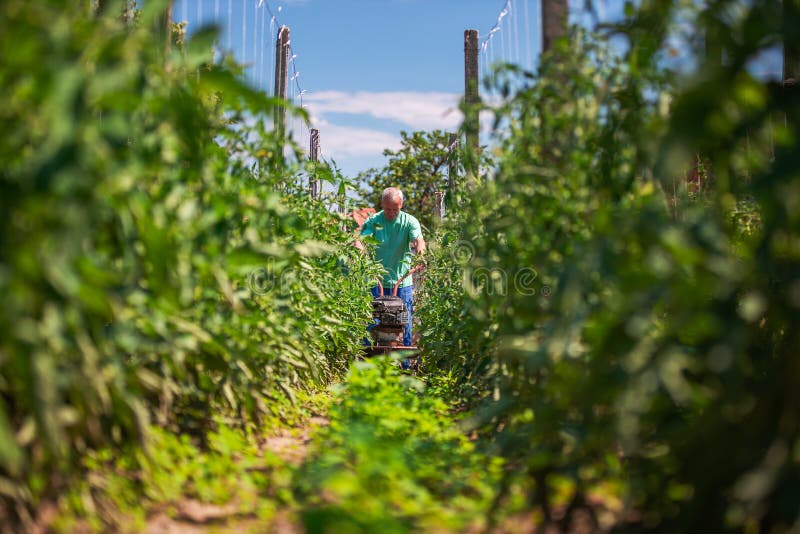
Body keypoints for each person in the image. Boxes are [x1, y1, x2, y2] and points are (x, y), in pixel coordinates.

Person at [355, 187, 426, 350]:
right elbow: (360, 241)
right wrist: (360, 254)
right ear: (382, 204)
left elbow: (419, 241)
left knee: (405, 322)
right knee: (370, 321)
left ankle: (406, 363)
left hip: (402, 281)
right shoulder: (373, 221)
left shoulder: (409, 222)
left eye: (396, 209)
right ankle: (366, 359)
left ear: (401, 205)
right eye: (388, 209)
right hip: (376, 280)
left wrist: (421, 256)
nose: (392, 213)